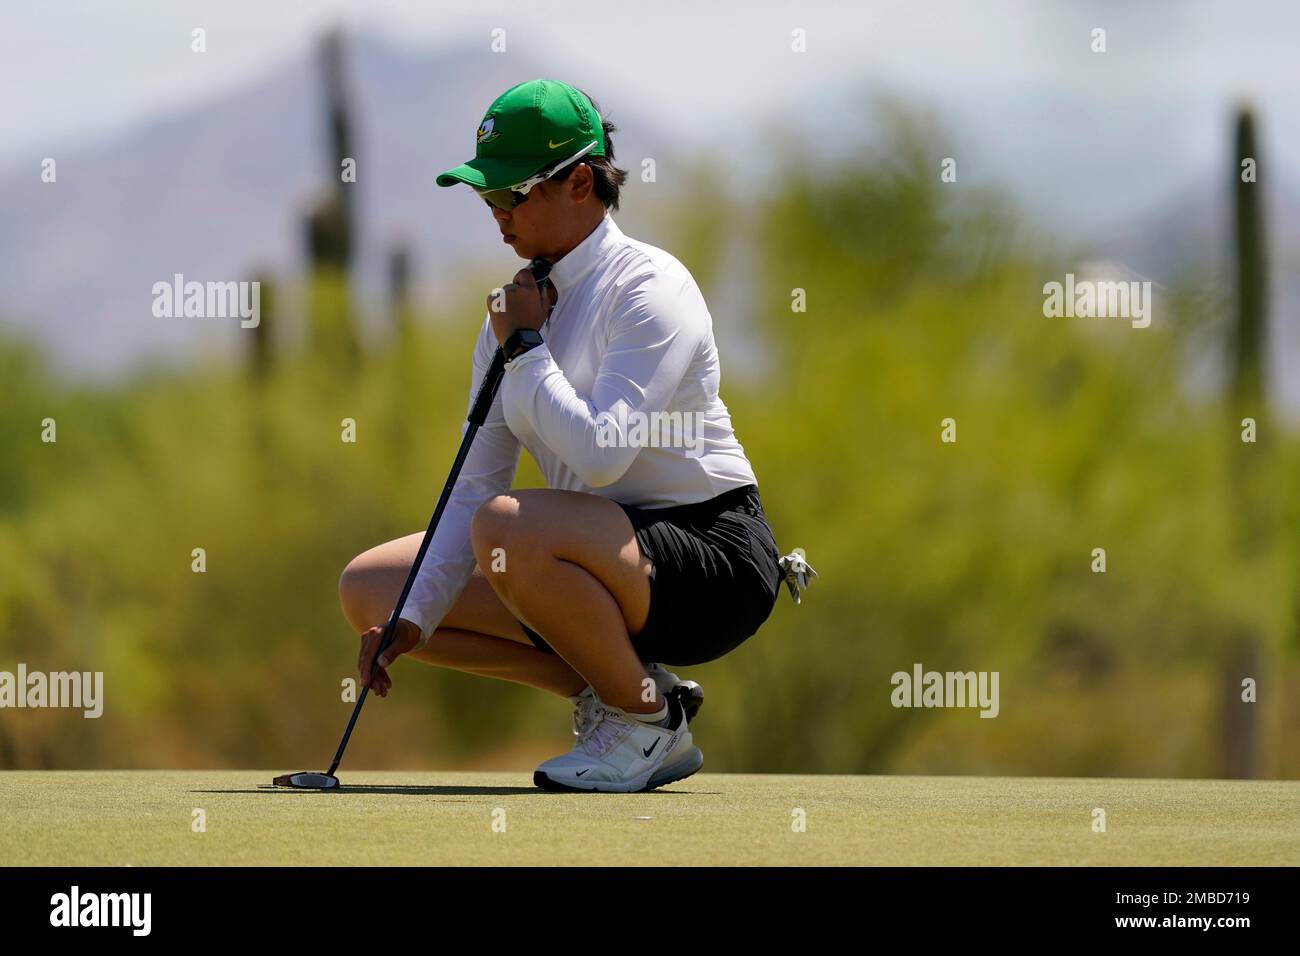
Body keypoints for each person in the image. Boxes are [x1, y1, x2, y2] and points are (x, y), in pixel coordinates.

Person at [338, 78, 794, 793]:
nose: (496, 215)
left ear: (580, 181)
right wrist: (415, 619)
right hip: (595, 565)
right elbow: (474, 483)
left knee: (508, 527)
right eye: (486, 197)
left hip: (713, 562)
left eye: (512, 195)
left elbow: (600, 456)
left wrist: (525, 347)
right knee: (374, 589)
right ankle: (624, 691)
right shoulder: (512, 315)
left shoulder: (650, 287)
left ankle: (645, 724)